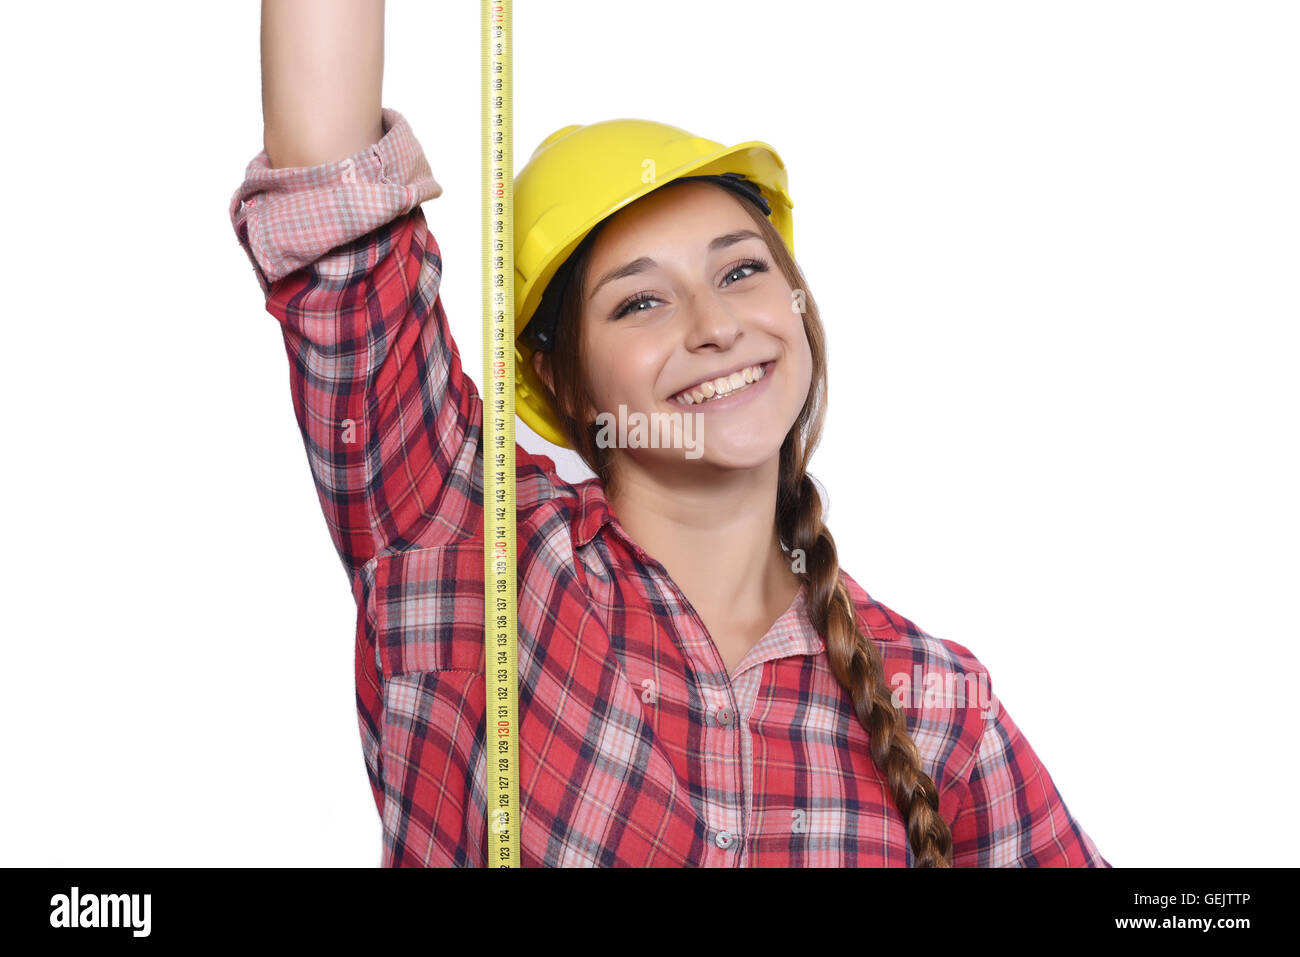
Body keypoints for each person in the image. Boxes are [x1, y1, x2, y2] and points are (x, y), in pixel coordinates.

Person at [230, 0, 1109, 867]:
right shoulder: (467, 545)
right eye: (641, 300)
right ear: (557, 376)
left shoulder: (938, 708)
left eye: (741, 270)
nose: (715, 325)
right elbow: (331, 193)